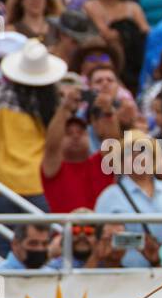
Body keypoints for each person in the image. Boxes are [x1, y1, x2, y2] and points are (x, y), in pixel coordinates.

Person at [0, 38, 62, 213]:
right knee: (43, 239)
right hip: (40, 183)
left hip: (1, 184)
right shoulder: (54, 104)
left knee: (6, 240)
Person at [92, 128, 162, 267]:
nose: (138, 157)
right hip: (124, 274)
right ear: (121, 162)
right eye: (130, 153)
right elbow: (99, 239)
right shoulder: (108, 196)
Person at [40, 83, 117, 212]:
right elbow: (52, 145)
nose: (75, 136)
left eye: (81, 132)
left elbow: (112, 142)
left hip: (100, 231)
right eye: (68, 133)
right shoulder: (53, 168)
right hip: (65, 230)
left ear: (89, 136)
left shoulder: (101, 165)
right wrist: (64, 108)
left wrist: (108, 111)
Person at [81, 0, 147, 95]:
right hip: (102, 61)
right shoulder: (90, 5)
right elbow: (105, 34)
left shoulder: (133, 7)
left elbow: (145, 32)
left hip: (132, 62)